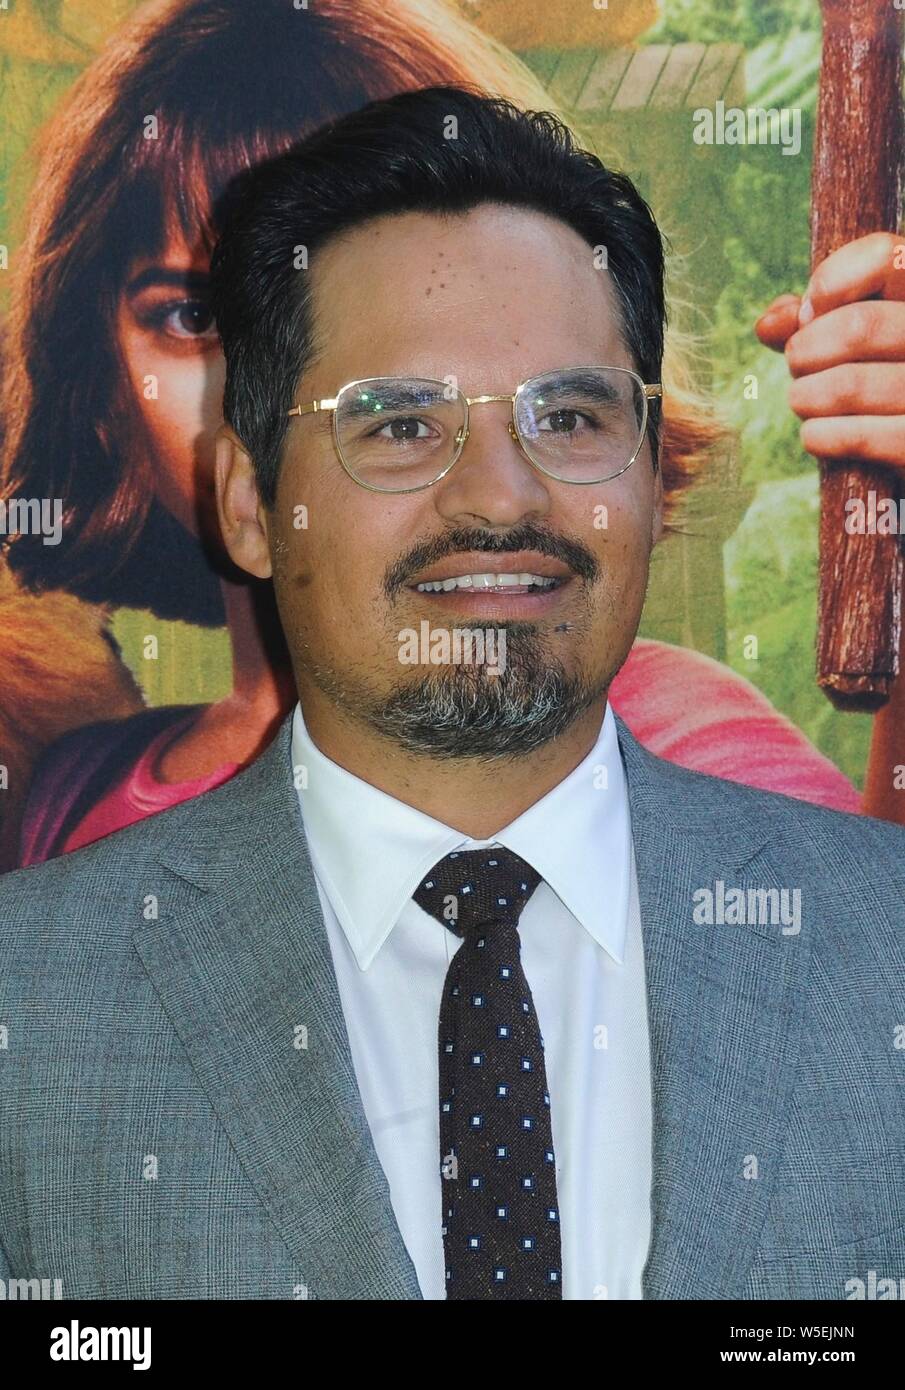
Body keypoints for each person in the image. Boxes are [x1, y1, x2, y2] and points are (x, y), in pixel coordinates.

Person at [2, 86, 903, 1301]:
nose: (500, 497)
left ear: (646, 472)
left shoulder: (875, 946)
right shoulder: (35, 1000)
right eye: (398, 425)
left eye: (571, 415)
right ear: (250, 505)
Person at [0, 0, 864, 875]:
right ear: (99, 386)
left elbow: (852, 962)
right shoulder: (66, 799)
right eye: (192, 316)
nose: (276, 378)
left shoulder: (660, 732)